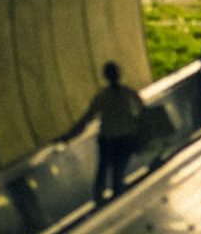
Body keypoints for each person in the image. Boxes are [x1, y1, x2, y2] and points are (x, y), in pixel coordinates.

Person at [59, 60, 145, 204]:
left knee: (103, 168)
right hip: (126, 138)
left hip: (108, 139)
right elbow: (144, 113)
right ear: (119, 74)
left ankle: (100, 197)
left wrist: (67, 137)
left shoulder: (102, 97)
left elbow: (86, 119)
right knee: (118, 169)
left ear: (105, 76)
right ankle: (118, 195)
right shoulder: (129, 93)